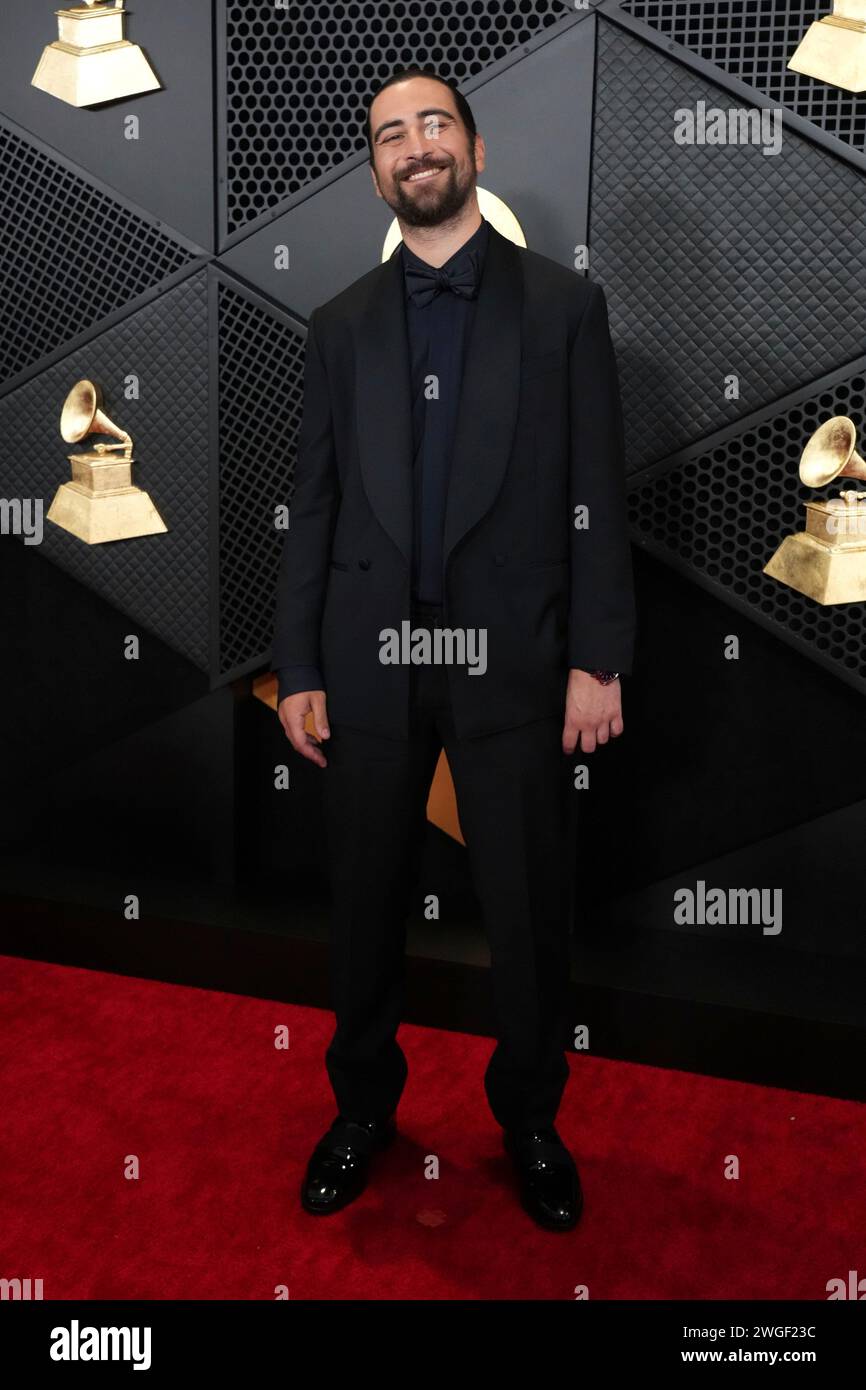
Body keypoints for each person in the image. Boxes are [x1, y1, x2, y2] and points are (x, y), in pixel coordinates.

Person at [270, 65, 636, 1232]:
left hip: (516, 661)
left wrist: (596, 658)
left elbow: (596, 494)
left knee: (524, 913)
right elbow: (314, 507)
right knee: (363, 907)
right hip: (366, 663)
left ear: (473, 149)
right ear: (376, 169)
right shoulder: (338, 326)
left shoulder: (564, 309)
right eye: (391, 134)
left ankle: (528, 1120)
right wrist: (300, 666)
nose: (414, 145)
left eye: (434, 124)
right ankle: (361, 1112)